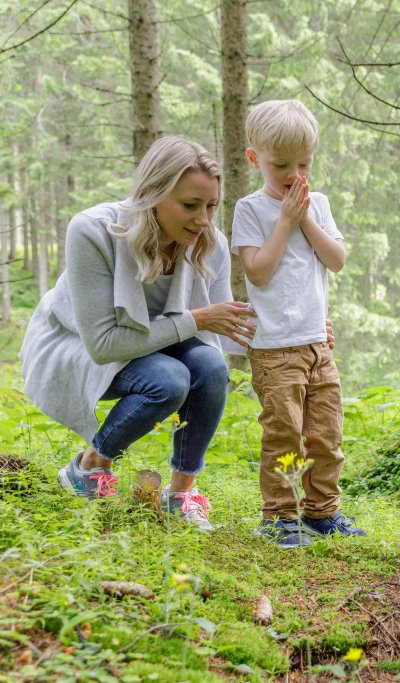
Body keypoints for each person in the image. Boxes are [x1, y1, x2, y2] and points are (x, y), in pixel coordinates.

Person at [20, 136, 257, 530]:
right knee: (169, 378)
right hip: (79, 345)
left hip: (157, 344)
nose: (203, 219)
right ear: (151, 193)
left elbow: (225, 323)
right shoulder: (93, 231)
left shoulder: (206, 241)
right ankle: (89, 467)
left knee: (211, 365)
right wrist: (196, 320)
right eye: (189, 205)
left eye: (211, 206)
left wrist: (304, 333)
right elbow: (104, 345)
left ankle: (181, 494)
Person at [232, 99, 365, 548]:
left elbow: (337, 259)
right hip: (273, 346)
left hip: (317, 343)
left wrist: (304, 215)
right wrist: (286, 220)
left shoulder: (318, 204)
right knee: (284, 434)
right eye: (280, 164)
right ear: (255, 159)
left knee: (327, 435)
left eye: (303, 163)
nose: (293, 174)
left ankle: (322, 511)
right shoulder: (249, 210)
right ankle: (278, 516)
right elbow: (258, 271)